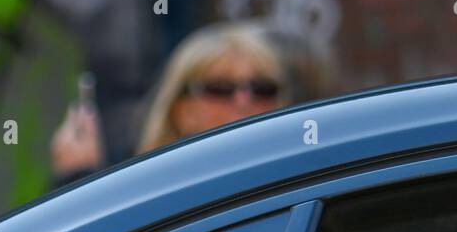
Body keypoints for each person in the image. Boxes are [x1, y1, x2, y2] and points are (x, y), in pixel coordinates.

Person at [50, 21, 289, 184]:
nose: (244, 101)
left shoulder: (307, 186)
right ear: (182, 111)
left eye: (263, 89)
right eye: (221, 88)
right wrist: (78, 178)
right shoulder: (149, 200)